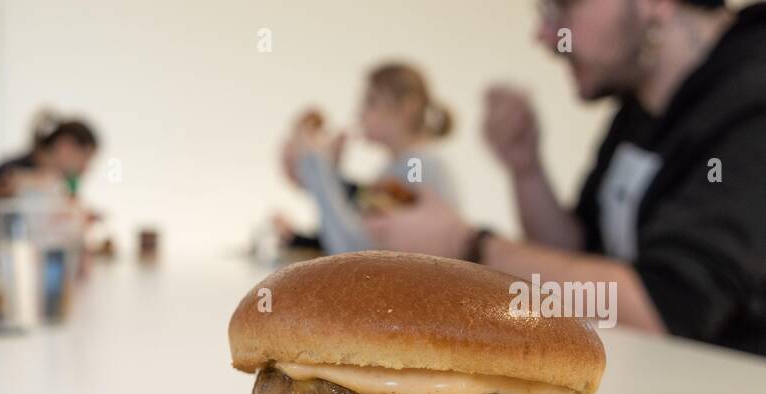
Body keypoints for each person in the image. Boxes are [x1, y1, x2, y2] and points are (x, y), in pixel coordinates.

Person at [365, 0, 766, 355]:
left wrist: (468, 245)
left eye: (563, 5)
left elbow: (665, 310)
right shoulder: (639, 106)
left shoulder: (752, 98)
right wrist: (527, 171)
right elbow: (583, 257)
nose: (544, 34)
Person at [281, 64, 458, 254]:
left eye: (371, 102)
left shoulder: (420, 167)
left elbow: (356, 252)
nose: (359, 113)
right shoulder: (396, 169)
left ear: (408, 108)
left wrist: (318, 166)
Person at [0, 114, 100, 201]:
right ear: (65, 146)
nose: (85, 168)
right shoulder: (11, 171)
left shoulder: (63, 183)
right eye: (84, 159)